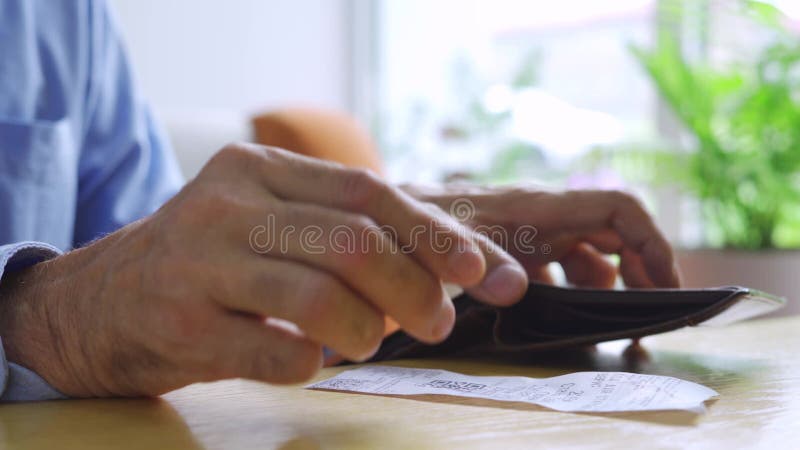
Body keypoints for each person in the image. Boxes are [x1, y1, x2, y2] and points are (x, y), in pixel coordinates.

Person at [0, 0, 680, 401]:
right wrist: (49, 320)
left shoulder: (66, 15)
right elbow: (103, 292)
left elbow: (142, 257)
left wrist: (404, 228)